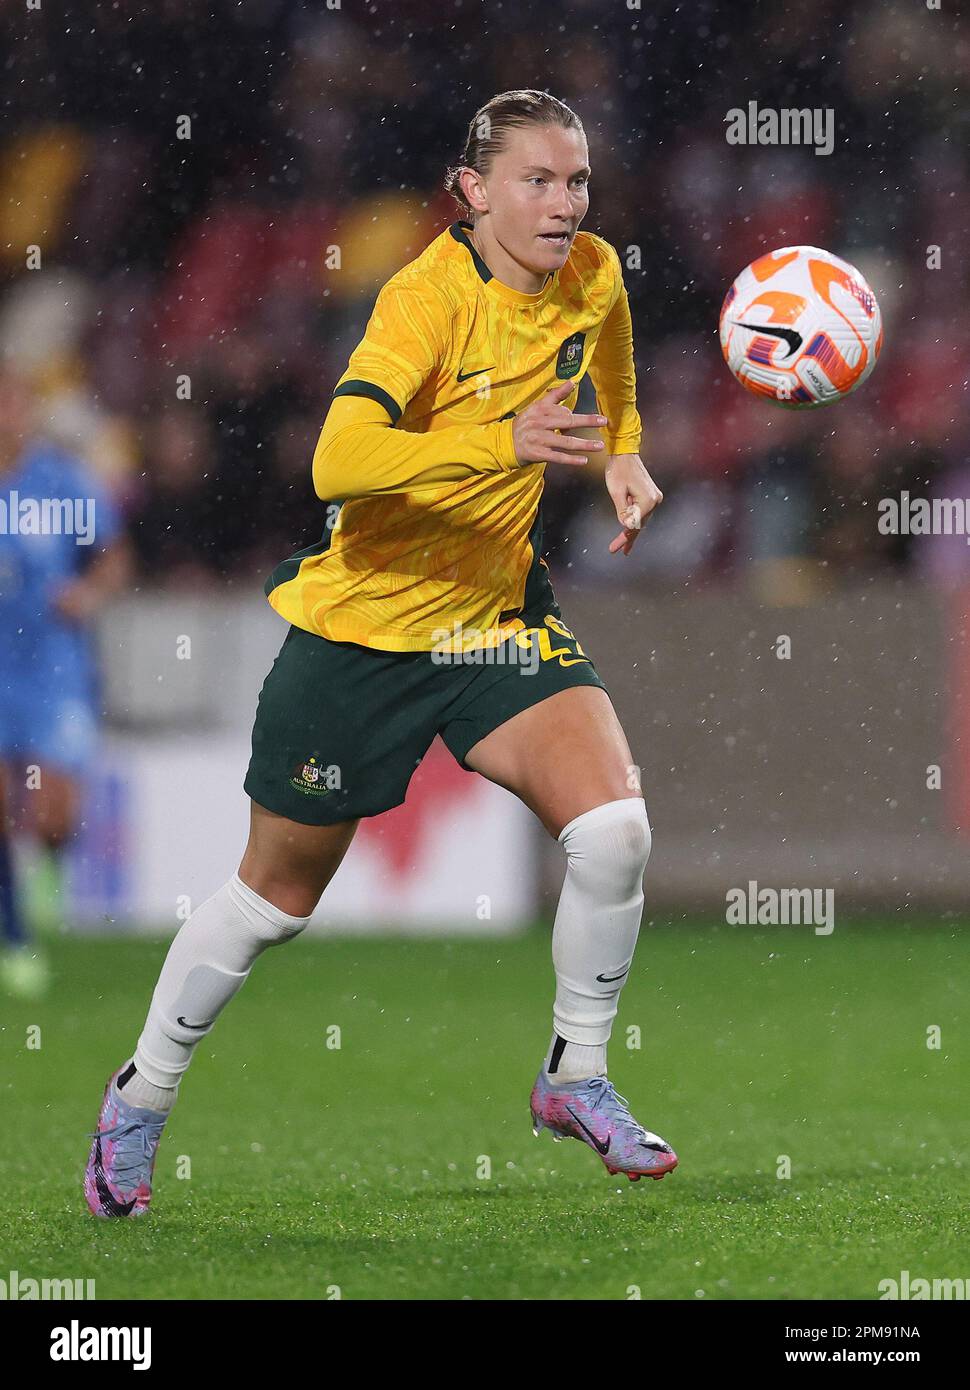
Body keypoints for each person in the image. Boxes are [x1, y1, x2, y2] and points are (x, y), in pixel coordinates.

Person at [84, 89, 675, 1218]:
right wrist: (497, 439)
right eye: (537, 182)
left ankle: (576, 1075)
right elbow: (337, 459)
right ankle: (142, 1093)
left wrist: (623, 453)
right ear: (473, 191)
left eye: (578, 181)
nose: (564, 204)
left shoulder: (593, 269)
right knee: (272, 902)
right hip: (363, 631)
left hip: (492, 617)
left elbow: (609, 352)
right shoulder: (422, 298)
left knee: (614, 832)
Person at [0, 366, 128, 998]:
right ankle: (14, 933)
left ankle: (44, 871)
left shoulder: (60, 480)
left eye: (12, 401)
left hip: (53, 668)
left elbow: (113, 553)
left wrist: (89, 592)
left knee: (54, 813)